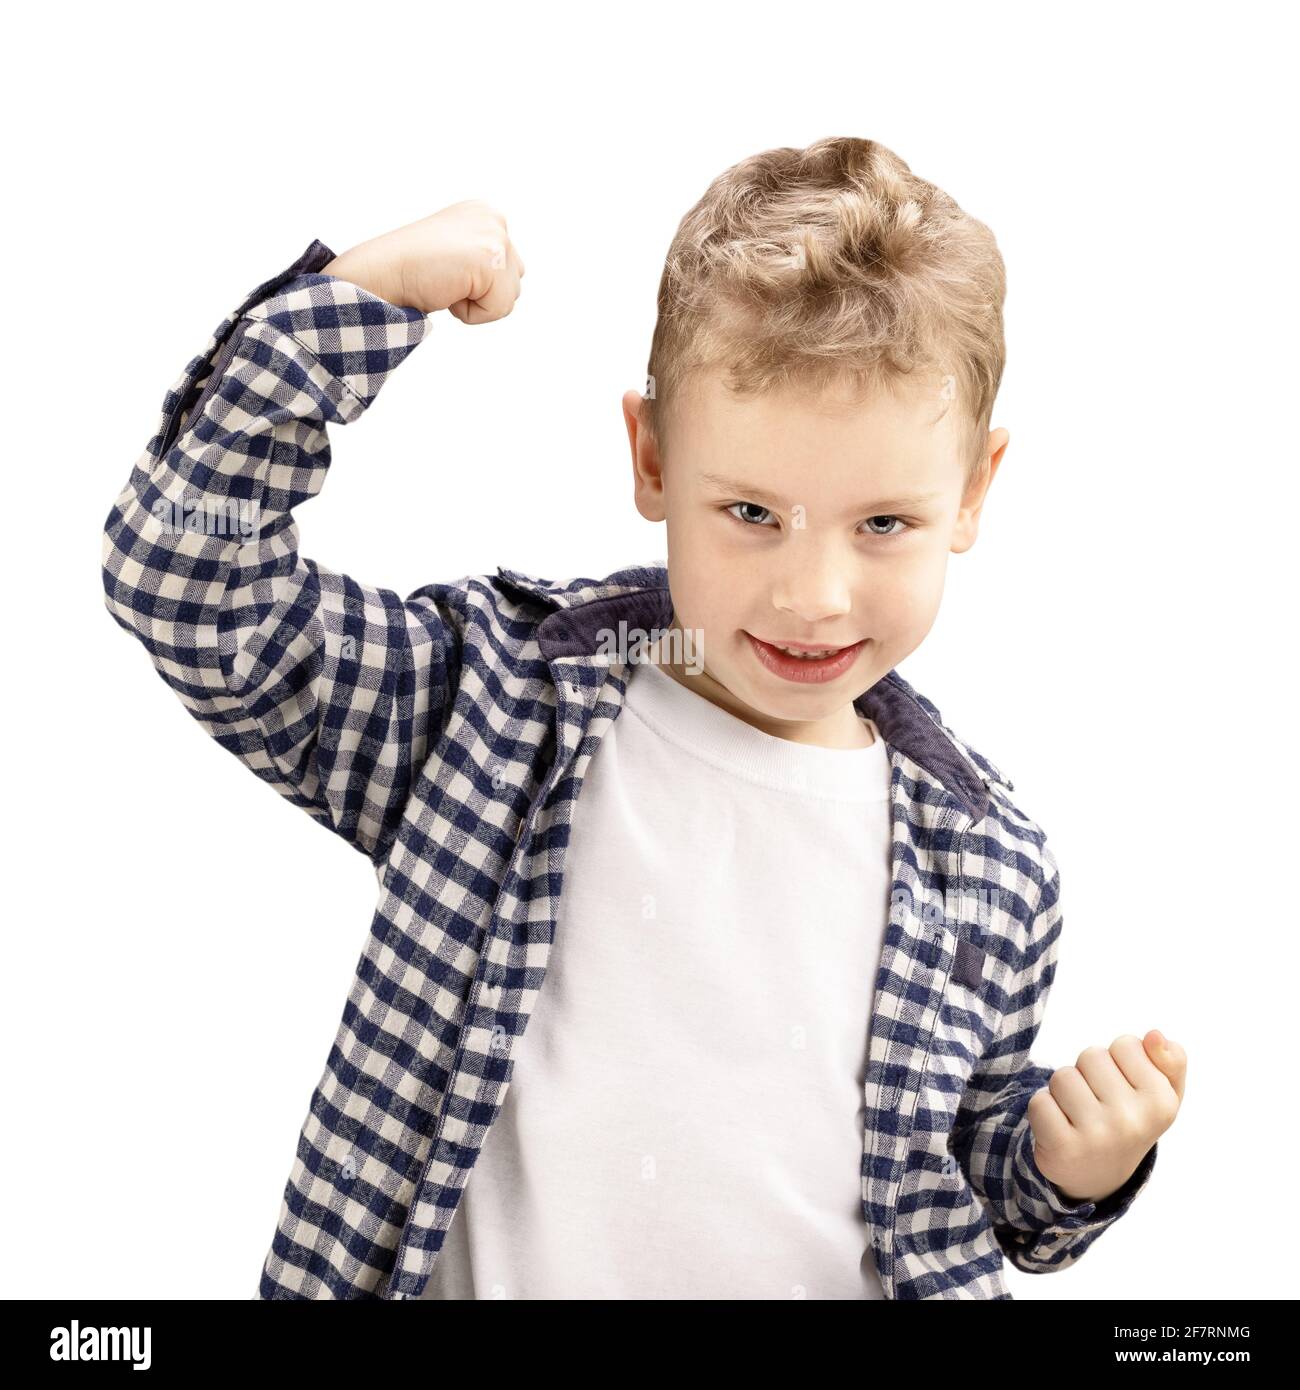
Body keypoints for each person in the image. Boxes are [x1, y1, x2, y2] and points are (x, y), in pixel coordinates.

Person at [100, 137, 1185, 1300]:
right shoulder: (500, 707)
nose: (813, 594)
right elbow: (186, 582)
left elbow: (964, 1184)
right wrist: (349, 305)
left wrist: (1067, 1165)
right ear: (654, 457)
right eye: (754, 511)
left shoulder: (990, 864)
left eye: (883, 526)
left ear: (971, 492)